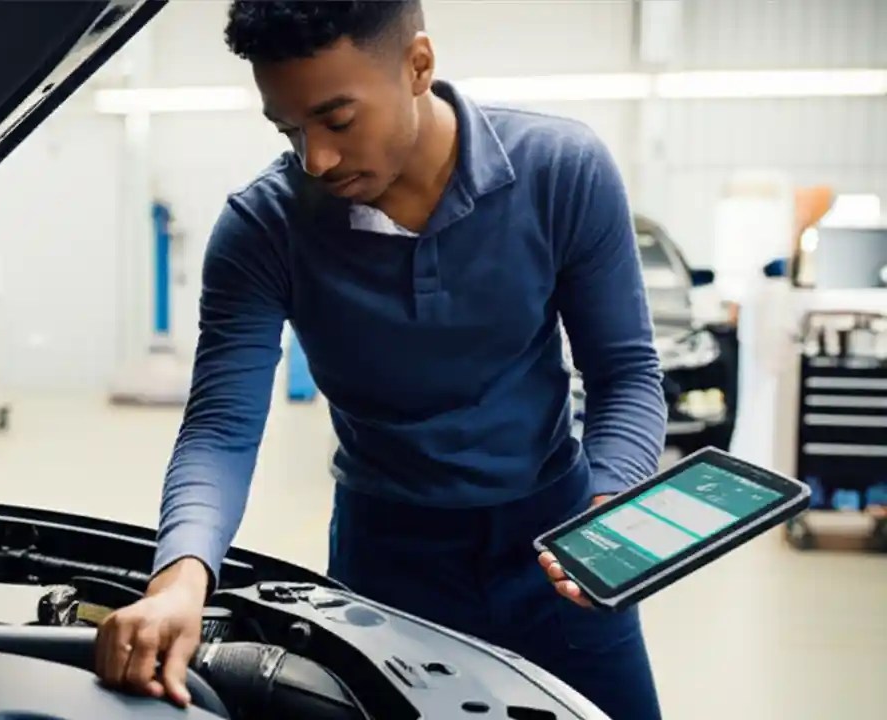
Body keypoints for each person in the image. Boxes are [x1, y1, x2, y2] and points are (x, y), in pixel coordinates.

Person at [93, 2, 667, 718]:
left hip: (559, 552)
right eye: (288, 129)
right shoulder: (264, 227)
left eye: (337, 120)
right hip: (385, 570)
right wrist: (179, 578)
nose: (316, 159)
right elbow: (221, 426)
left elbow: (626, 375)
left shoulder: (561, 170)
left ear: (418, 65)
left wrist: (608, 511)